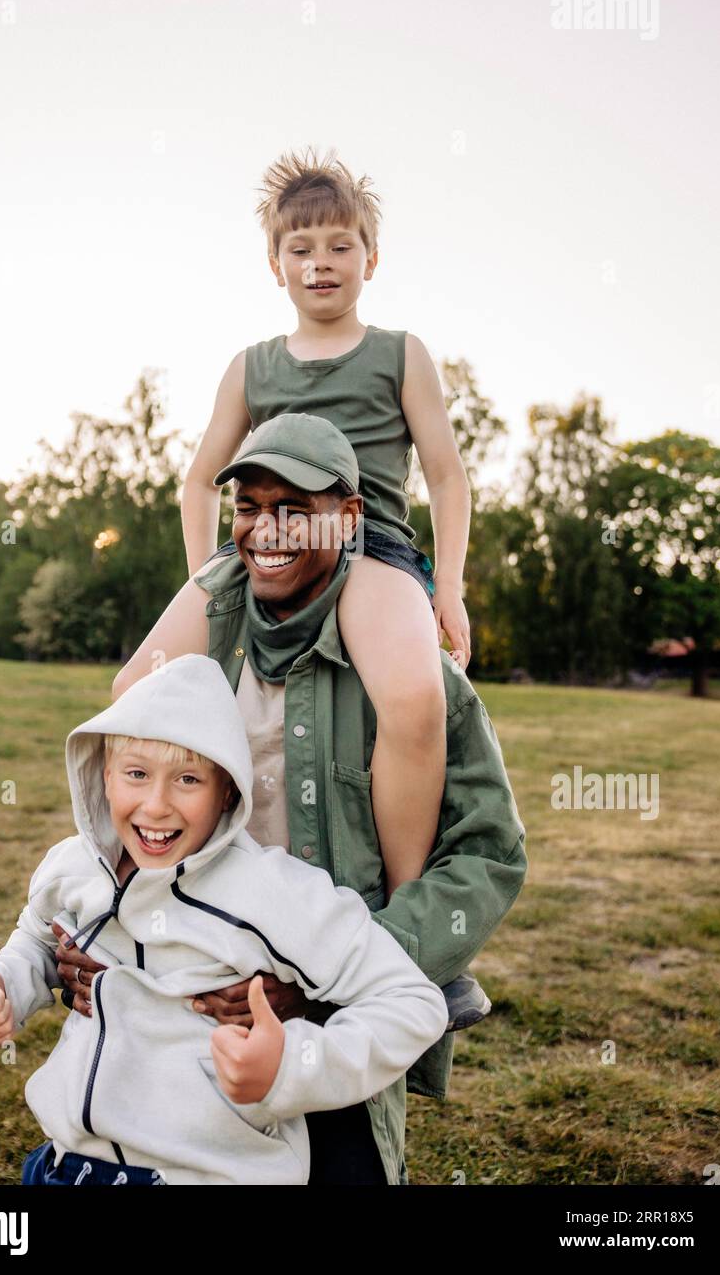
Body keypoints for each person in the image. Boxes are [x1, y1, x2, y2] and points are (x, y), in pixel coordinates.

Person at [60, 412, 526, 1185]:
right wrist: (84, 943)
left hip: (331, 1028)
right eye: (247, 507)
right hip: (183, 1015)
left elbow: (488, 852)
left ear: (347, 521)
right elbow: (128, 809)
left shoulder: (409, 670)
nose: (265, 530)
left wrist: (319, 982)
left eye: (293, 509)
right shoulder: (190, 659)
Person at [0, 653, 450, 1186]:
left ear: (228, 791)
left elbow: (412, 1003)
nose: (156, 805)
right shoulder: (71, 866)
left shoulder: (270, 892)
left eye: (188, 779)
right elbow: (35, 937)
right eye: (136, 774)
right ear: (105, 775)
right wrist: (4, 983)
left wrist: (292, 1065)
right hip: (66, 1166)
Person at [135, 146, 473, 900]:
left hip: (367, 546)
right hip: (260, 545)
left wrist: (445, 585)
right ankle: (139, 884)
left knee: (414, 700)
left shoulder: (399, 355)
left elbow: (447, 476)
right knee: (139, 685)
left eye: (339, 246)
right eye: (301, 248)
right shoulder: (250, 367)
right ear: (274, 263)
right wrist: (203, 576)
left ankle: (401, 915)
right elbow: (198, 481)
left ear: (370, 259)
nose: (321, 263)